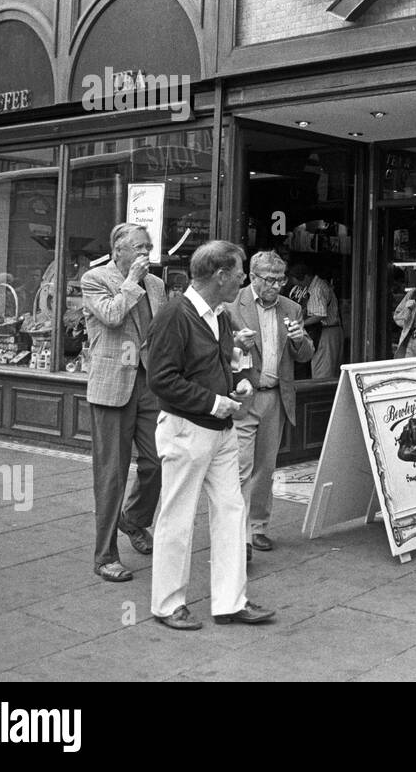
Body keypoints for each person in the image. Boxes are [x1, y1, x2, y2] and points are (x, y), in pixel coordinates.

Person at [147, 241, 275, 630]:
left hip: (219, 430)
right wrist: (213, 402)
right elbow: (161, 379)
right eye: (238, 272)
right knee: (177, 516)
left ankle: (230, 601)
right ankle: (168, 604)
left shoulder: (218, 315)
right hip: (187, 429)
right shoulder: (175, 315)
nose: (242, 278)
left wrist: (237, 383)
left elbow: (222, 363)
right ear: (220, 276)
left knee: (232, 511)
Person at [81, 223, 166, 582]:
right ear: (119, 251)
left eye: (149, 246)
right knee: (111, 475)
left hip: (149, 384)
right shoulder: (95, 279)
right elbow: (113, 316)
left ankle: (132, 519)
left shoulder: (157, 285)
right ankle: (105, 556)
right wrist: (132, 280)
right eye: (140, 247)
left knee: (159, 461)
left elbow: (161, 330)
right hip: (113, 385)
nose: (147, 253)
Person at [229, 251, 314, 559]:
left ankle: (258, 527)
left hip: (276, 397)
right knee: (240, 466)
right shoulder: (231, 305)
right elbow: (216, 352)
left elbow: (305, 355)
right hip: (243, 395)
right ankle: (235, 532)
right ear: (253, 277)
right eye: (270, 280)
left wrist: (298, 338)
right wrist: (238, 346)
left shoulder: (291, 307)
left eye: (281, 279)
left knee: (266, 467)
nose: (277, 286)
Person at [289, 263, 343, 378]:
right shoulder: (314, 287)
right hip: (325, 331)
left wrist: (301, 324)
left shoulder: (317, 288)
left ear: (306, 277)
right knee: (321, 367)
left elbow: (319, 315)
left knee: (323, 371)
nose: (300, 287)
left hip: (327, 331)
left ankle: (323, 396)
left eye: (300, 283)